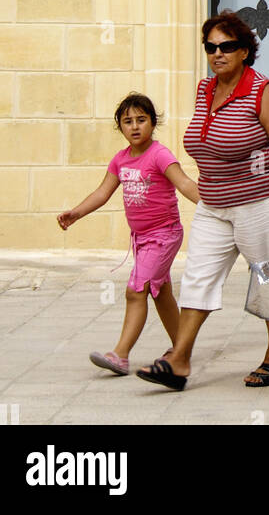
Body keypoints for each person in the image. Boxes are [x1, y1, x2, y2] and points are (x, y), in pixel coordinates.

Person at [136, 11, 269, 391]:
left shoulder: (264, 92)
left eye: (227, 47)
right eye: (211, 47)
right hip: (213, 204)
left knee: (268, 279)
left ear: (245, 51)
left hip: (260, 202)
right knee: (197, 277)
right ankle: (178, 361)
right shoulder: (205, 89)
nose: (218, 53)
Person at [57, 93, 200, 375]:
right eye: (128, 121)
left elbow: (183, 182)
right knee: (161, 293)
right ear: (120, 127)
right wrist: (76, 213)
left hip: (164, 235)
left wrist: (214, 205)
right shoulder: (120, 160)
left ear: (153, 123)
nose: (135, 127)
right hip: (142, 239)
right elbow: (102, 192)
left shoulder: (159, 155)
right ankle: (180, 349)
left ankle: (120, 355)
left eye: (142, 120)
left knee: (136, 291)